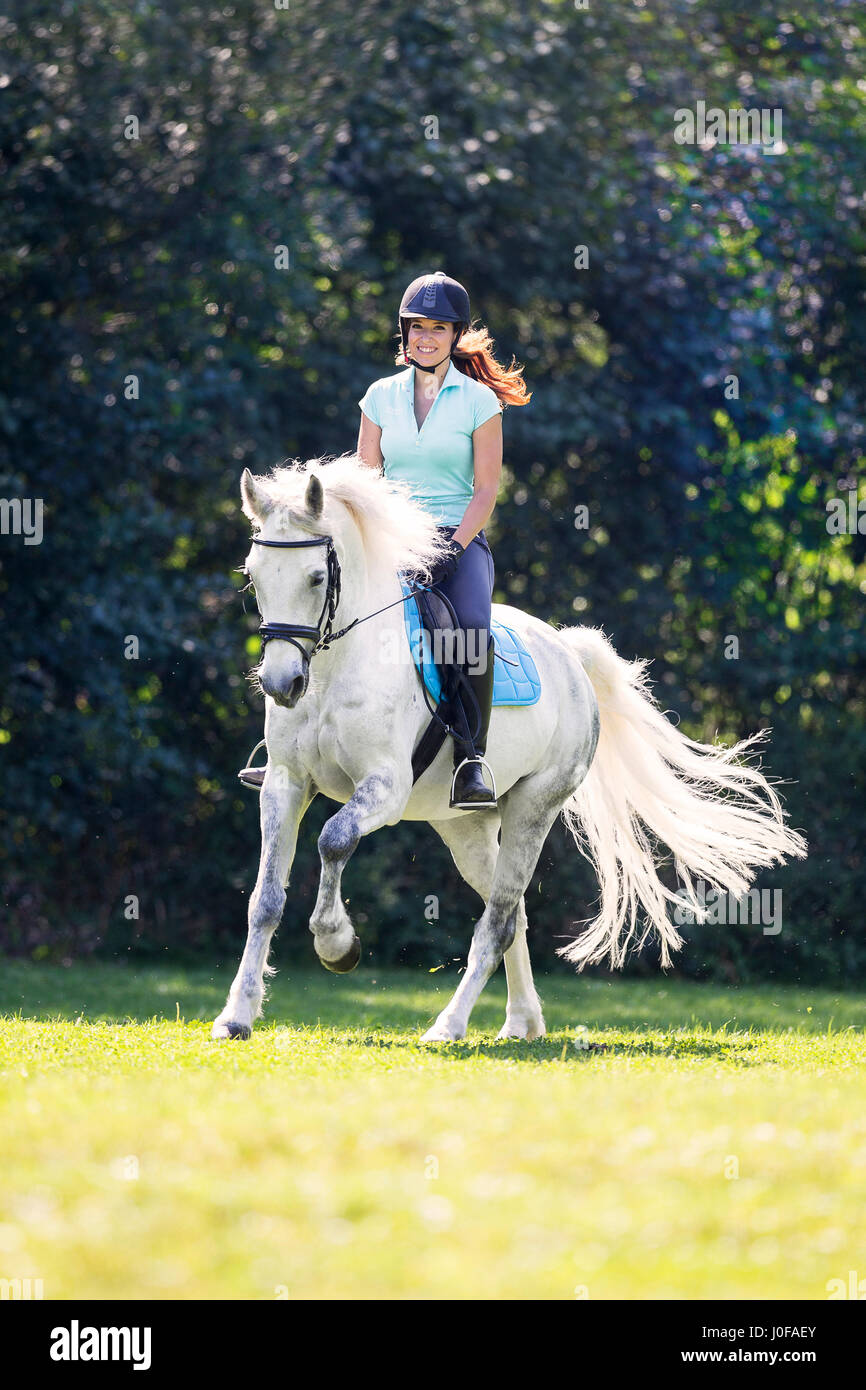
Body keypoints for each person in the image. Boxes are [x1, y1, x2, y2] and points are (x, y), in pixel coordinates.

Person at [357, 271, 531, 808]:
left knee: (473, 633)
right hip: (391, 540)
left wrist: (452, 547)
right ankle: (286, 745)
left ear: (456, 336)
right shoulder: (379, 397)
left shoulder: (479, 402)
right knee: (321, 609)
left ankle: (471, 761)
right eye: (416, 327)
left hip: (457, 541)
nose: (425, 337)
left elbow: (485, 490)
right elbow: (365, 479)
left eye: (438, 328)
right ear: (404, 333)